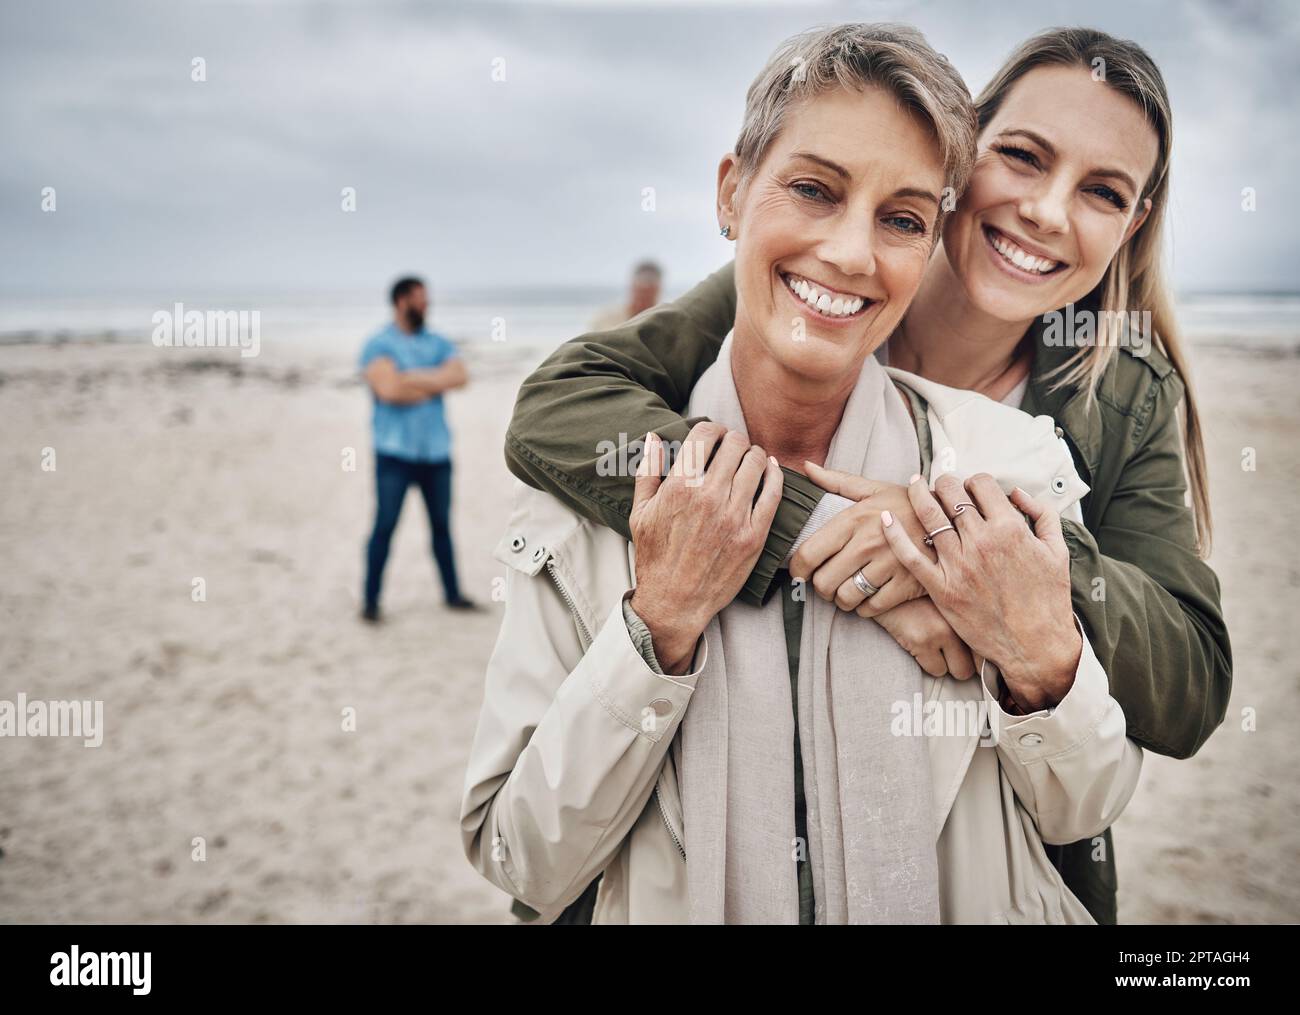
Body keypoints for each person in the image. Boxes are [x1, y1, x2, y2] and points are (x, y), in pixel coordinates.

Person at [499, 27, 1231, 923]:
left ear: (1134, 223)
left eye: (1102, 192)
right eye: (1023, 157)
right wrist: (811, 526)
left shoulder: (1118, 390)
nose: (1045, 210)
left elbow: (1190, 677)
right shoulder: (807, 284)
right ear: (964, 155)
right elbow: (557, 404)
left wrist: (967, 545)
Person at [359, 276, 477, 620]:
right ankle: (370, 602)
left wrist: (410, 377)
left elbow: (460, 378)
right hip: (394, 455)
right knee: (385, 526)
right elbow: (389, 391)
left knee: (442, 527)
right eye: (420, 299)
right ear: (401, 302)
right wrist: (434, 381)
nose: (427, 305)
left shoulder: (437, 341)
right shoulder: (378, 344)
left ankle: (453, 596)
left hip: (436, 453)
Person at [588, 261, 663, 331]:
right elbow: (585, 342)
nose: (644, 297)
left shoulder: (665, 320)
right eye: (641, 291)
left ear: (658, 289)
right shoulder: (606, 318)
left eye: (648, 292)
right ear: (632, 287)